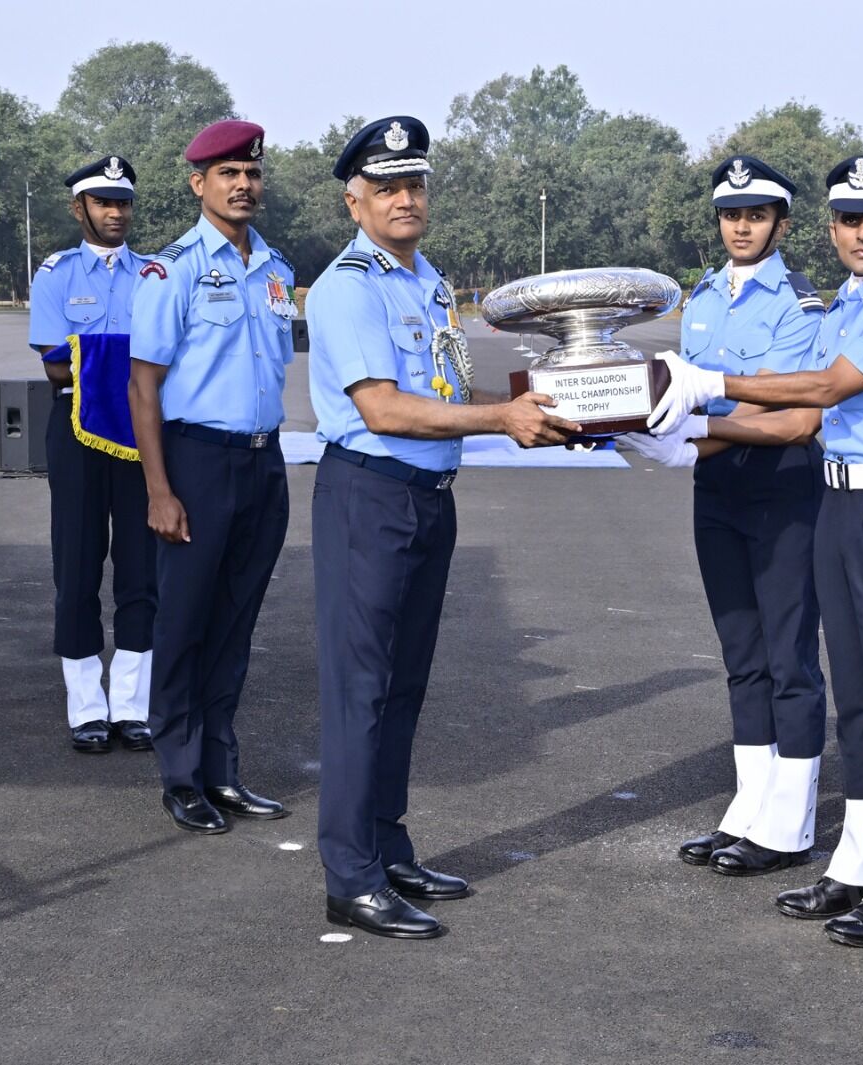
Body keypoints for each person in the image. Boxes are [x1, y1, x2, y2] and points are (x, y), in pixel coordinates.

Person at [648, 156, 863, 948]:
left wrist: (701, 384)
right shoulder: (843, 307)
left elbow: (821, 391)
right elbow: (789, 396)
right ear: (831, 229)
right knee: (854, 696)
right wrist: (676, 429)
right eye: (851, 221)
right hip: (838, 500)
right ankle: (857, 860)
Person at [306, 116, 579, 939]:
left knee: (404, 685)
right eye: (386, 187)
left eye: (415, 185)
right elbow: (382, 407)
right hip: (370, 494)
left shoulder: (426, 281)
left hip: (427, 499)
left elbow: (448, 387)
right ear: (355, 201)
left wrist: (561, 398)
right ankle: (349, 874)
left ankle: (387, 847)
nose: (404, 199)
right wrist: (504, 417)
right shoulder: (348, 286)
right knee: (361, 690)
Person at [619, 155, 828, 877]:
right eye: (731, 213)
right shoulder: (702, 296)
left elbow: (777, 407)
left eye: (757, 214)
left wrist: (694, 434)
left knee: (789, 658)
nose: (742, 225)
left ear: (781, 223)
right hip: (720, 487)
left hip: (781, 487)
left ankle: (792, 821)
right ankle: (750, 807)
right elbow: (683, 392)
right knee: (742, 654)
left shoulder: (799, 304)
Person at [128, 120, 295, 835]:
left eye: (252, 173)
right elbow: (143, 386)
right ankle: (180, 773)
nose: (243, 185)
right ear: (199, 184)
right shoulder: (174, 269)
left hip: (263, 461)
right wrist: (159, 490)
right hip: (197, 459)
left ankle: (223, 771)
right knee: (186, 621)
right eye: (228, 174)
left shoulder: (277, 269)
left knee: (235, 625)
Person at [27, 155, 155, 755]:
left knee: (140, 569)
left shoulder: (154, 274)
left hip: (142, 432)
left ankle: (131, 705)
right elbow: (54, 362)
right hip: (76, 428)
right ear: (79, 208)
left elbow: (163, 355)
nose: (116, 213)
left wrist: (97, 354)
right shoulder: (55, 273)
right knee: (76, 567)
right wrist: (128, 359)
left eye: (123, 203)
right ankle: (86, 706)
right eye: (104, 203)